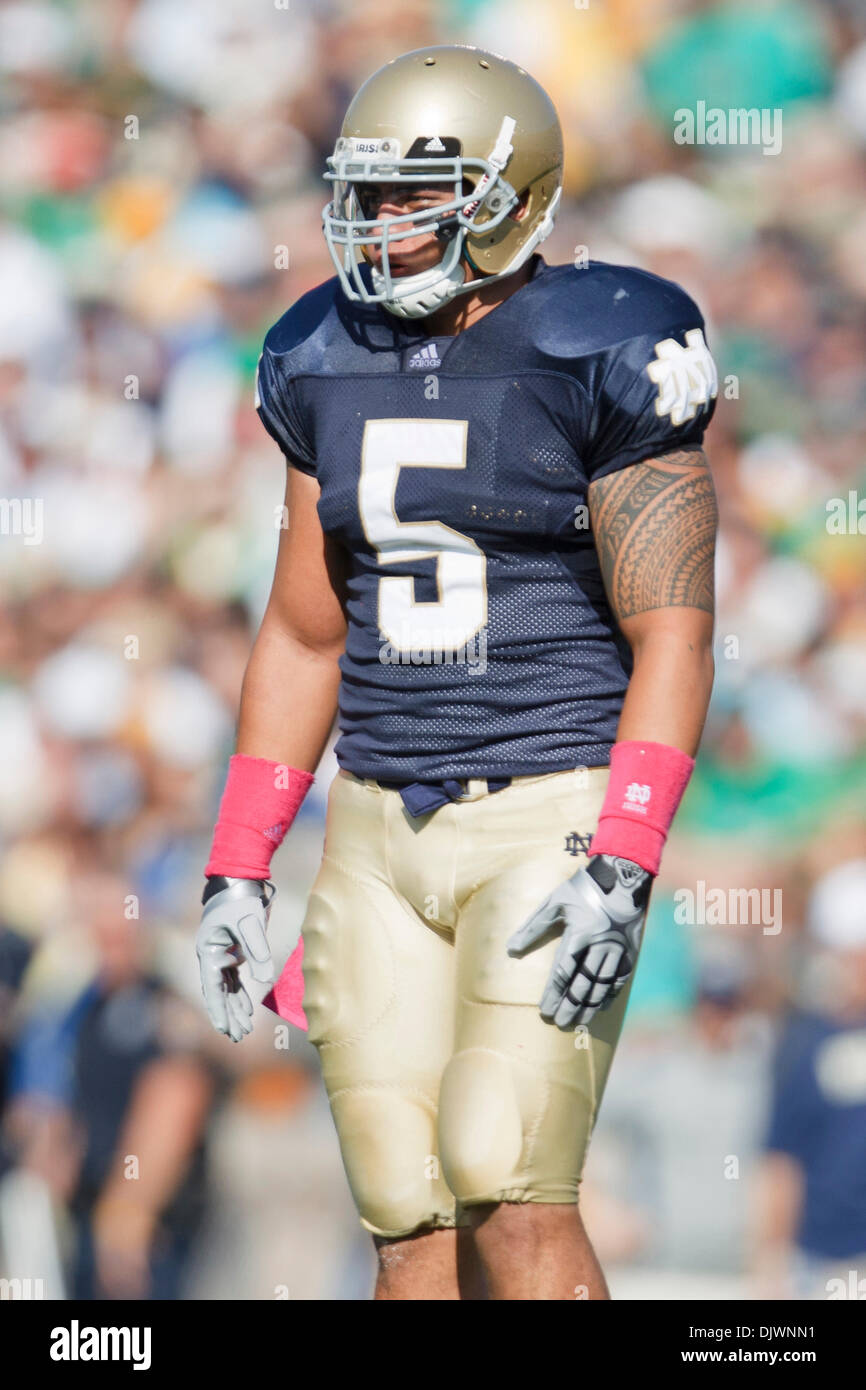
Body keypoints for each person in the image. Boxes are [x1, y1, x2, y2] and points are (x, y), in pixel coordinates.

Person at [195, 43, 718, 1300]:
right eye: (365, 191)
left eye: (411, 192)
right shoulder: (318, 349)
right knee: (403, 1209)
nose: (380, 220)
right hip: (376, 823)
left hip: (548, 804)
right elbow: (304, 633)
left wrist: (625, 853)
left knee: (509, 1183)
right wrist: (236, 863)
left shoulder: (602, 336)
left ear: (509, 197)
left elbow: (674, 631)